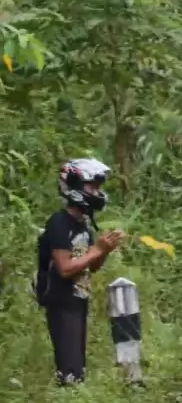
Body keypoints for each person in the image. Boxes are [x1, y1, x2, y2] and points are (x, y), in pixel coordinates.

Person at [35, 158, 124, 386]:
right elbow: (65, 269)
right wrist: (96, 249)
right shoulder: (59, 223)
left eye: (98, 187)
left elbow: (91, 265)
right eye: (92, 186)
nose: (97, 191)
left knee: (77, 369)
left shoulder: (82, 224)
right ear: (74, 186)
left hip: (78, 300)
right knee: (70, 373)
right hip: (61, 301)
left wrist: (103, 251)